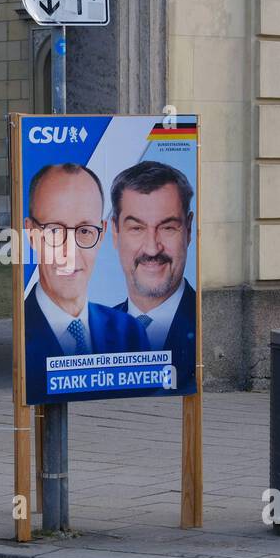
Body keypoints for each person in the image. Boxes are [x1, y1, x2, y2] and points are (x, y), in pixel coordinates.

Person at [23, 163, 146, 396]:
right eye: (54, 231)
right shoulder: (21, 330)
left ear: (102, 234)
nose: (70, 252)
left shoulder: (130, 332)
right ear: (31, 234)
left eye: (85, 231)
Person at [109, 161, 196, 392]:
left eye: (167, 228)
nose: (152, 248)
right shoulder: (93, 331)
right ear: (115, 232)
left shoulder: (208, 324)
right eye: (137, 228)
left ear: (188, 230)